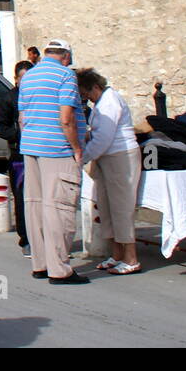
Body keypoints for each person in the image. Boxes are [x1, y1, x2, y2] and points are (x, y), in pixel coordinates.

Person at [18, 39, 88, 284]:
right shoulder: (65, 77)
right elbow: (66, 118)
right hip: (56, 148)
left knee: (35, 205)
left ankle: (41, 264)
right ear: (66, 56)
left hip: (31, 147)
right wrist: (77, 147)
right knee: (58, 207)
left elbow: (22, 117)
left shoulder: (29, 77)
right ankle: (60, 269)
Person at [76, 68, 141, 275]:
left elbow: (103, 138)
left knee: (121, 207)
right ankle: (116, 253)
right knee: (106, 206)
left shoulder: (110, 101)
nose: (87, 99)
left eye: (87, 94)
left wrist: (82, 158)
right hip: (105, 158)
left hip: (120, 156)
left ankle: (131, 258)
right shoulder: (100, 103)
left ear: (96, 87)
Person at [0, 60, 33, 255]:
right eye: (23, 79)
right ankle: (25, 238)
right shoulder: (9, 99)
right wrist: (18, 134)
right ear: (16, 79)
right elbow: (0, 127)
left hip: (39, 153)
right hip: (19, 156)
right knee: (22, 197)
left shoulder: (38, 97)